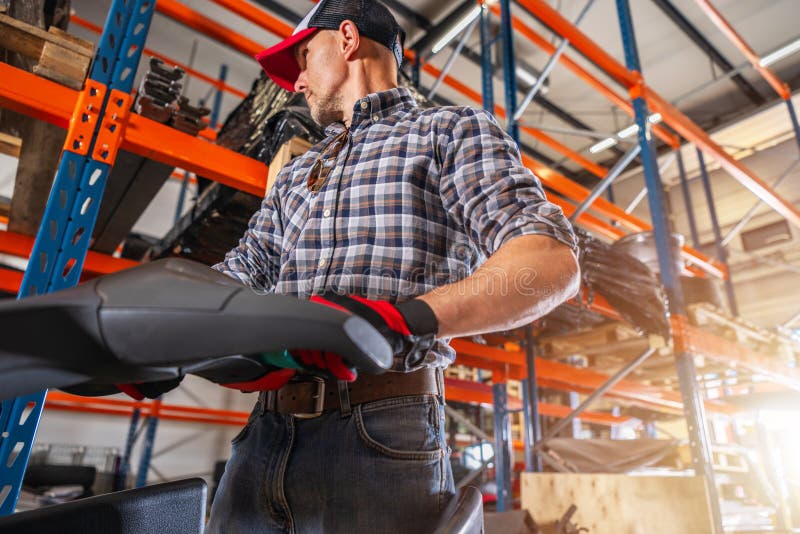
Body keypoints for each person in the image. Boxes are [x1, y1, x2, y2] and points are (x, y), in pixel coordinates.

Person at [205, 1, 580, 532]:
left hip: (380, 434)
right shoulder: (297, 173)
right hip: (262, 437)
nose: (297, 83)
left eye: (304, 58)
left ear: (348, 39)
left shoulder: (448, 131)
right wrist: (153, 336)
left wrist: (402, 319)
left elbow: (548, 260)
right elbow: (245, 268)